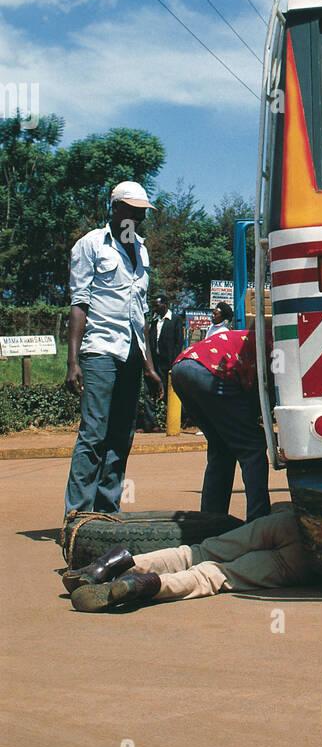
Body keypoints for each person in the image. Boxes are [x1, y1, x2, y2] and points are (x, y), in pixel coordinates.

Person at [63, 181, 163, 523]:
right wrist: (72, 361)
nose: (137, 218)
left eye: (141, 213)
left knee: (122, 434)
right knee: (93, 433)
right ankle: (78, 516)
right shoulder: (91, 244)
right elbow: (79, 303)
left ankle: (108, 513)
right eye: (132, 211)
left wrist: (149, 366)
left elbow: (142, 315)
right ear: (116, 208)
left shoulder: (143, 251)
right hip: (99, 350)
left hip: (132, 353)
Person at [64, 510, 308, 612]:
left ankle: (108, 564)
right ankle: (145, 584)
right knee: (214, 576)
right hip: (309, 557)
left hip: (292, 521)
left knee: (195, 553)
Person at [169, 326, 272, 521]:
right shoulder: (278, 345)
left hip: (182, 367)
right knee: (253, 446)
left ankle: (211, 522)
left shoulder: (261, 337)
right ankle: (259, 522)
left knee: (221, 448)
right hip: (209, 370)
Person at [141, 293, 184, 430]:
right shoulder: (154, 322)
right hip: (155, 364)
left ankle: (176, 421)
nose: (155, 308)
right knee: (149, 392)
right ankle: (152, 424)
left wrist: (175, 362)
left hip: (168, 364)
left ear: (165, 305)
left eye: (157, 305)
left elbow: (179, 343)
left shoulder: (175, 320)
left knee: (169, 393)